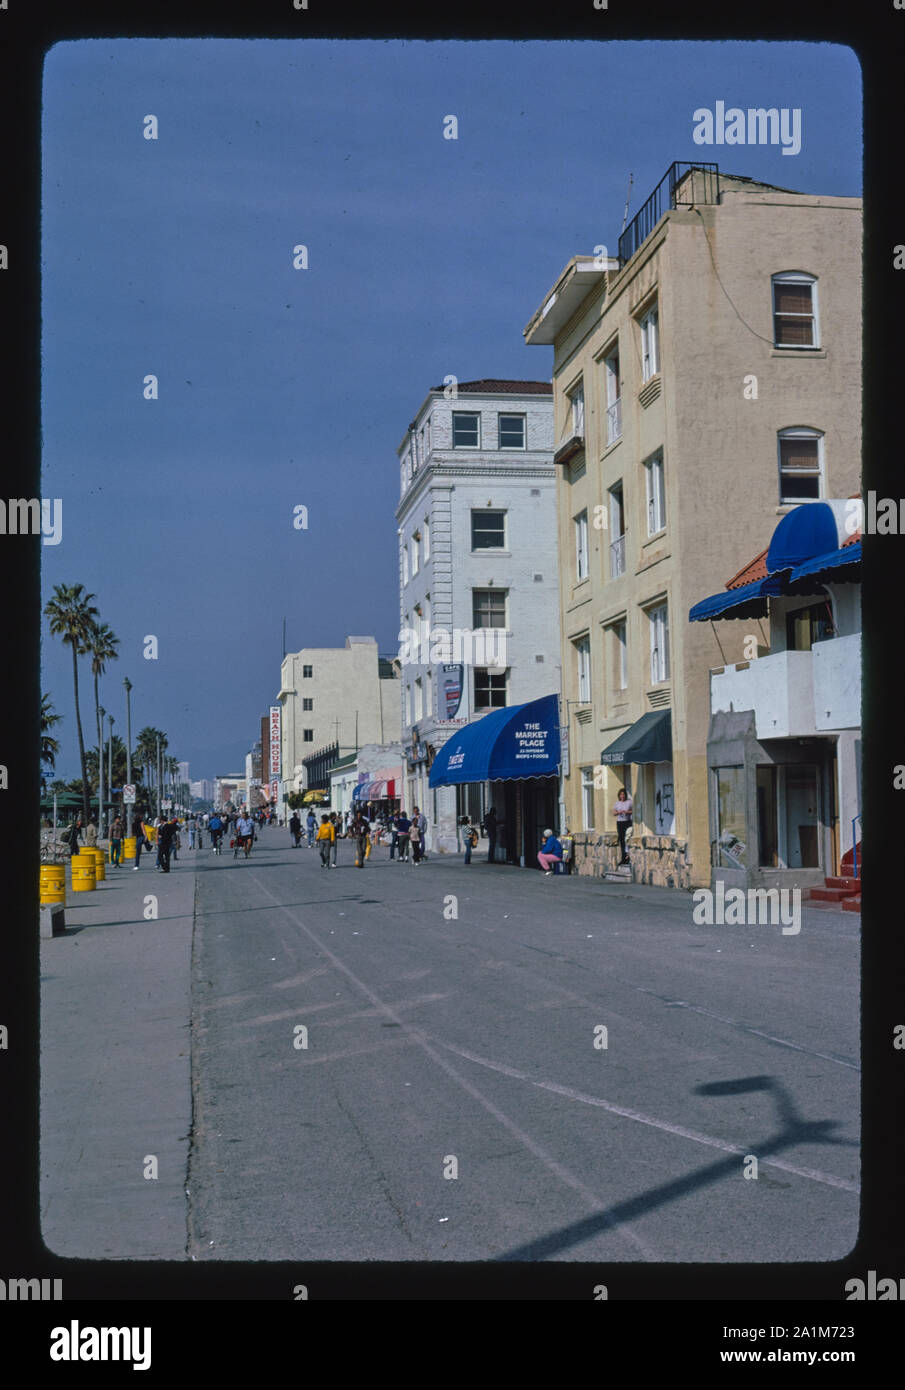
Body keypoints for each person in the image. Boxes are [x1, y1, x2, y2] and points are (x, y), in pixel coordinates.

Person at [612, 787, 633, 866]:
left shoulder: (629, 802)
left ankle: (628, 855)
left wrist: (627, 812)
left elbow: (633, 810)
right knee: (621, 839)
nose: (622, 796)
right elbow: (614, 813)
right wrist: (618, 812)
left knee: (627, 838)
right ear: (619, 796)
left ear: (625, 795)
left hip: (627, 822)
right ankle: (624, 857)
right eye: (621, 795)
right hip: (620, 822)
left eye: (623, 794)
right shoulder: (617, 803)